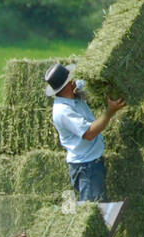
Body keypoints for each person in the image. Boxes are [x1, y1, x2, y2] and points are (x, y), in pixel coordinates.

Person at [44, 62, 127, 202]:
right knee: (94, 210)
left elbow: (91, 79)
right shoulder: (63, 111)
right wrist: (110, 112)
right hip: (86, 168)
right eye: (72, 77)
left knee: (98, 207)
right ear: (69, 84)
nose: (76, 79)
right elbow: (89, 133)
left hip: (92, 162)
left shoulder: (74, 93)